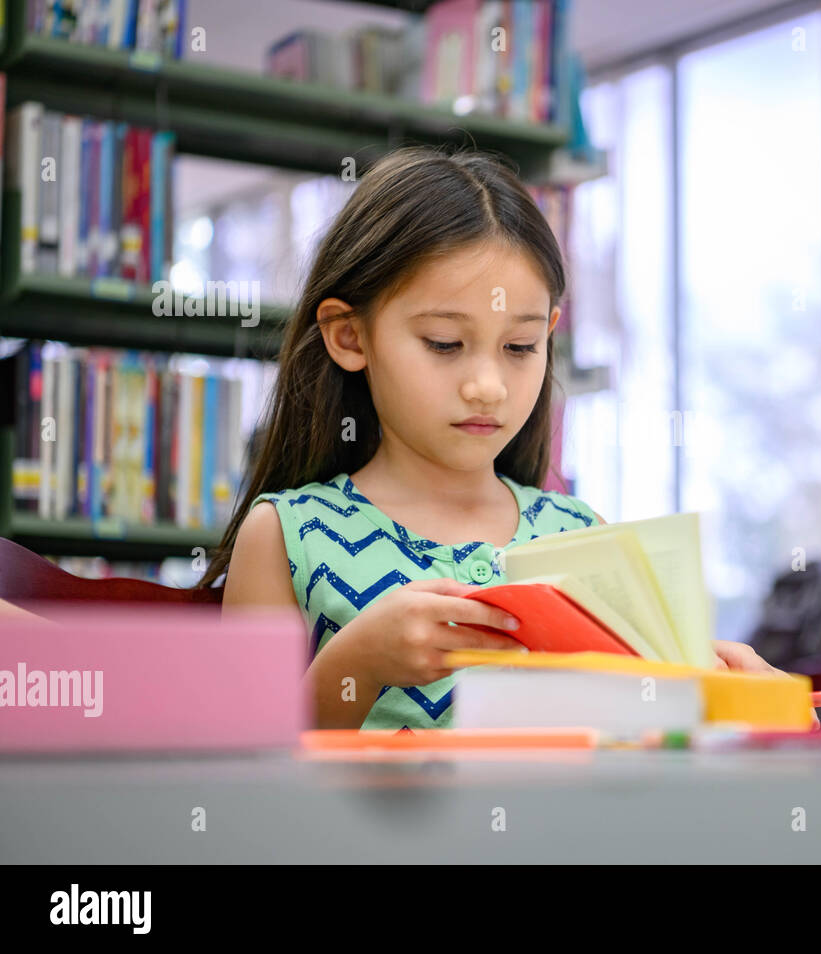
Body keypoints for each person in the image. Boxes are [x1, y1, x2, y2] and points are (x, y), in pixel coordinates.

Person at [209, 146, 785, 730]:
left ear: (550, 334)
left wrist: (738, 705)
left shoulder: (580, 535)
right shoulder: (286, 535)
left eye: (519, 347)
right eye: (443, 343)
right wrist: (358, 662)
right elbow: (243, 776)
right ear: (350, 336)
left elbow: (635, 751)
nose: (487, 386)